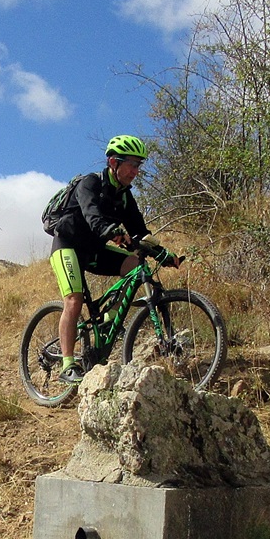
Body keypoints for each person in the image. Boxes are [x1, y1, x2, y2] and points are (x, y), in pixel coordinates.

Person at [44, 134, 179, 383]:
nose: (135, 171)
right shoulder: (90, 183)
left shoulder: (125, 196)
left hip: (94, 250)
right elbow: (92, 215)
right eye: (131, 164)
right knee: (74, 301)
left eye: (139, 165)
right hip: (67, 246)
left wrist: (163, 254)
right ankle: (67, 365)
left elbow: (141, 232)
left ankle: (108, 320)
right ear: (113, 162)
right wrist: (111, 231)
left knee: (137, 264)